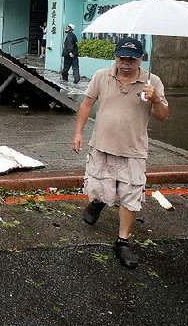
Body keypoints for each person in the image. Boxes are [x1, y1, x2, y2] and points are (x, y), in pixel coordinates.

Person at [71, 37, 169, 269]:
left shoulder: (152, 82)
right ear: (115, 56)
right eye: (122, 57)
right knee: (98, 188)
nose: (126, 63)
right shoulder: (102, 76)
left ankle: (122, 241)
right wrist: (78, 133)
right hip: (101, 146)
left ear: (141, 59)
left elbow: (163, 116)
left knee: (130, 196)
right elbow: (86, 104)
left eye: (132, 59)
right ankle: (98, 202)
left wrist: (155, 99)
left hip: (133, 151)